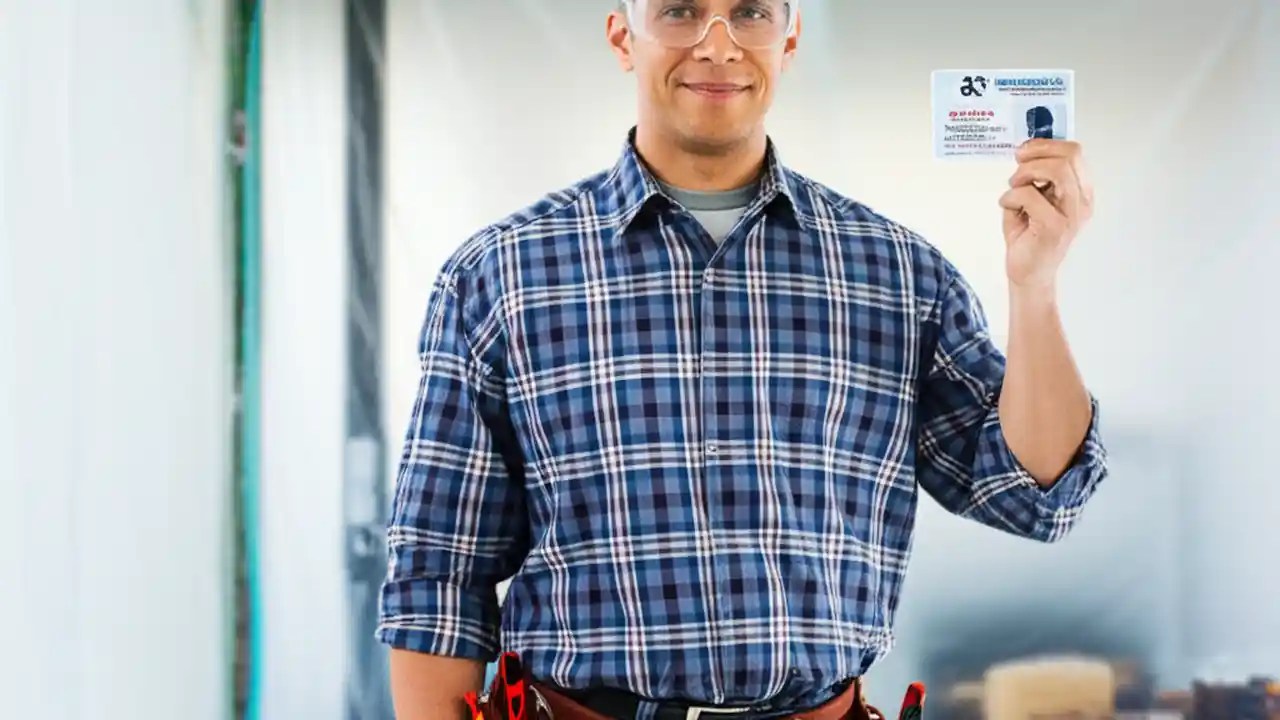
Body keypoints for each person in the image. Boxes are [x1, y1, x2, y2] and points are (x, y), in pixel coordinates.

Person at [377, 1, 1109, 718]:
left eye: (751, 13)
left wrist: (1035, 283)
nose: (718, 44)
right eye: (681, 12)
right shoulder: (499, 275)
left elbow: (1034, 494)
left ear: (789, 41)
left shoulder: (898, 274)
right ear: (621, 36)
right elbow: (439, 572)